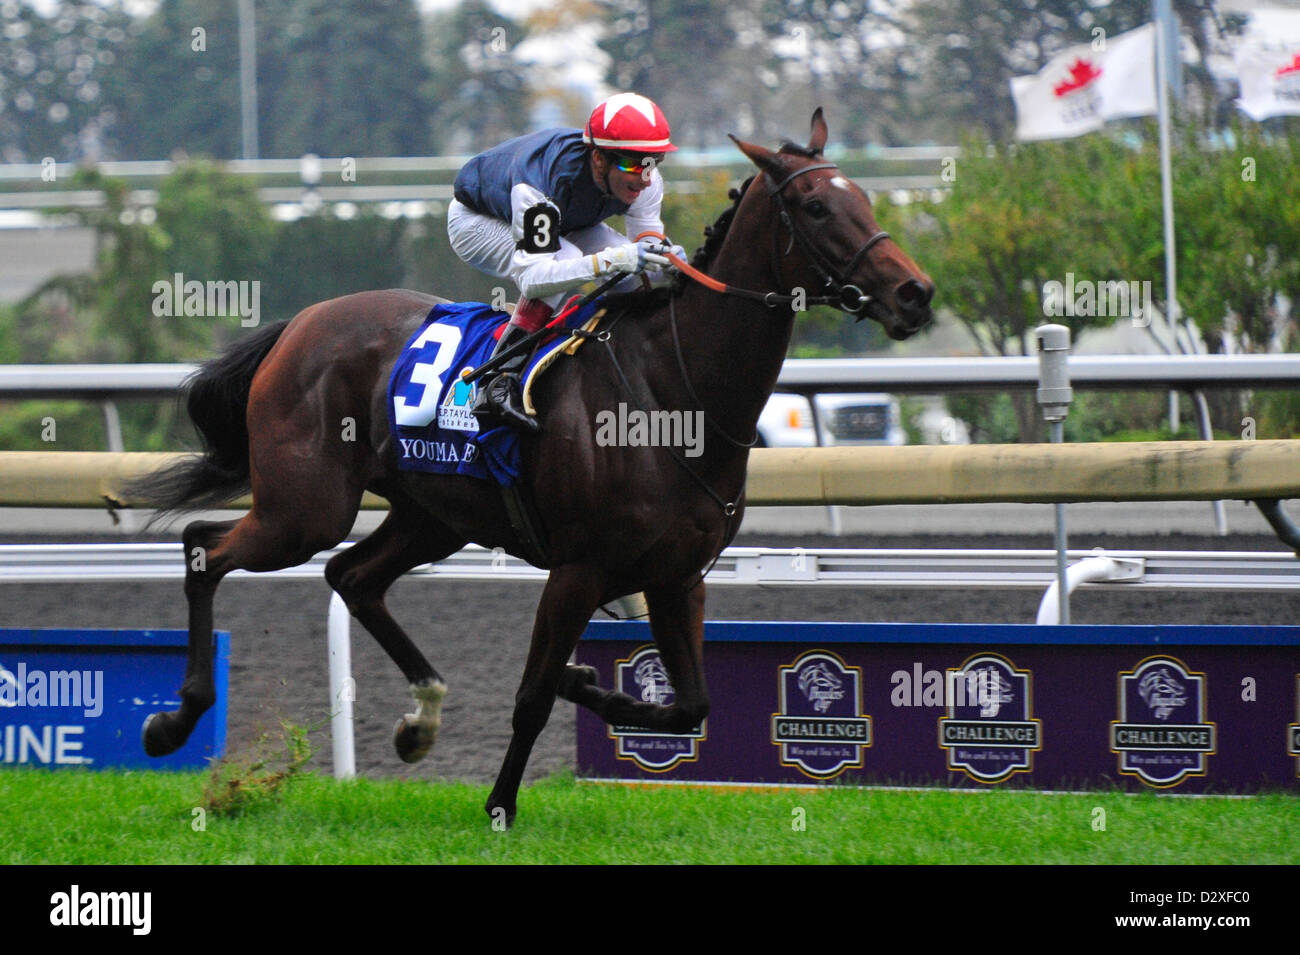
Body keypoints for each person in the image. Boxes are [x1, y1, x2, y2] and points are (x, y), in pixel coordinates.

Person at [447, 92, 685, 432]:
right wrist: (612, 261)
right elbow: (534, 279)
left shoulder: (644, 178)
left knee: (634, 273)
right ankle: (498, 382)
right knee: (572, 259)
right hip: (477, 221)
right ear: (599, 159)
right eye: (633, 163)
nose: (645, 177)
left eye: (653, 161)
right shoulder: (538, 189)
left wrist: (666, 257)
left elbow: (644, 240)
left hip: (568, 220)